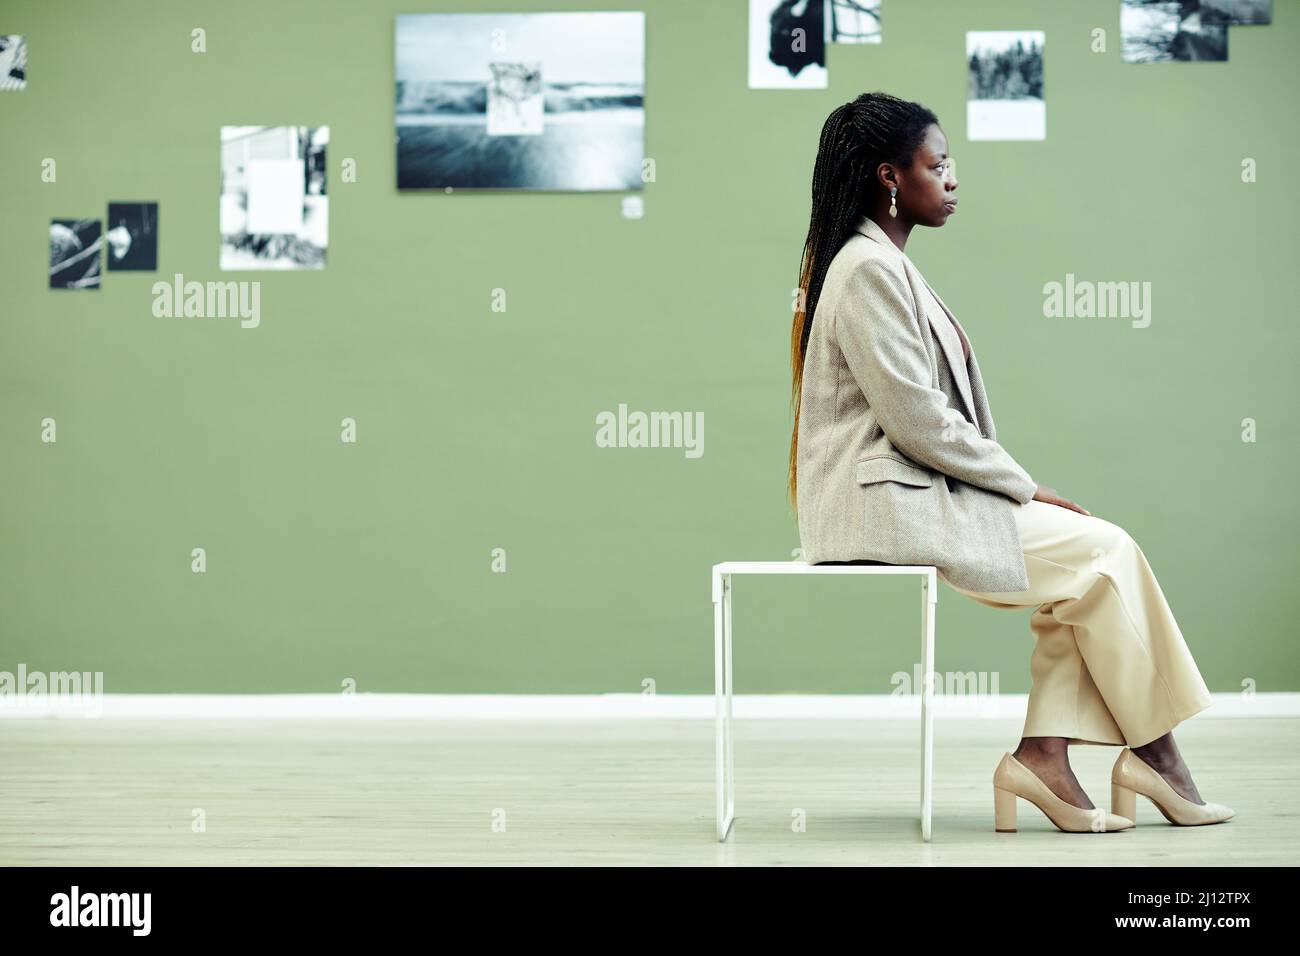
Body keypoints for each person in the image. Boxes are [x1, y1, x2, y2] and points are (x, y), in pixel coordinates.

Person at [788, 91, 1233, 833]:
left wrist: (1015, 492)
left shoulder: (880, 262)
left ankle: (1045, 758)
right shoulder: (867, 269)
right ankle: (1156, 757)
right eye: (938, 164)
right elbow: (917, 421)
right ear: (890, 177)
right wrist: (1024, 487)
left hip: (912, 492)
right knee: (1105, 550)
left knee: (1085, 580)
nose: (953, 178)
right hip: (884, 502)